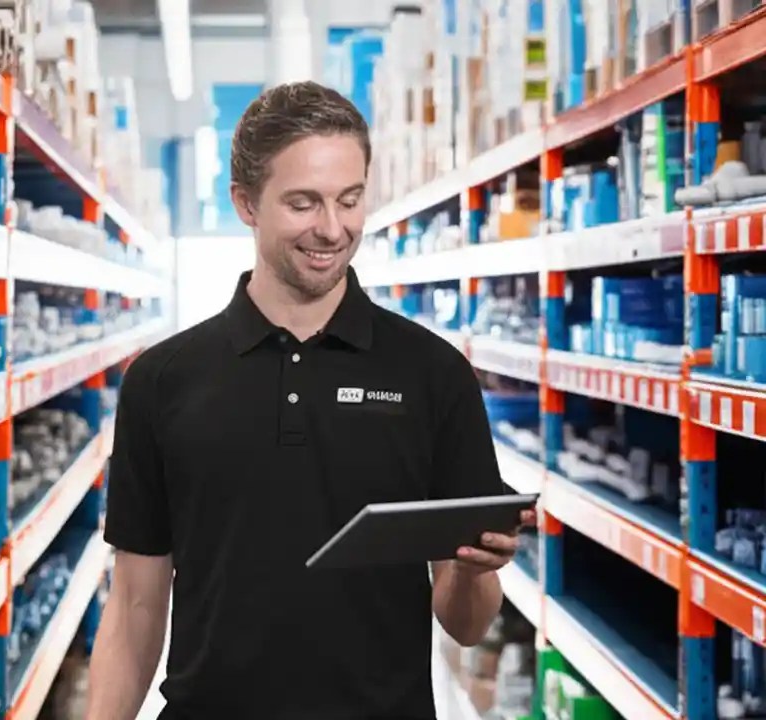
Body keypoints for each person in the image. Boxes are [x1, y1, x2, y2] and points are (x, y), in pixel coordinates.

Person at [84, 81, 537, 719]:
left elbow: (466, 624)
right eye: (303, 203)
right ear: (245, 203)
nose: (332, 229)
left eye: (349, 200)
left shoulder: (433, 373)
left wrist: (469, 570)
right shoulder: (162, 380)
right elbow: (135, 611)